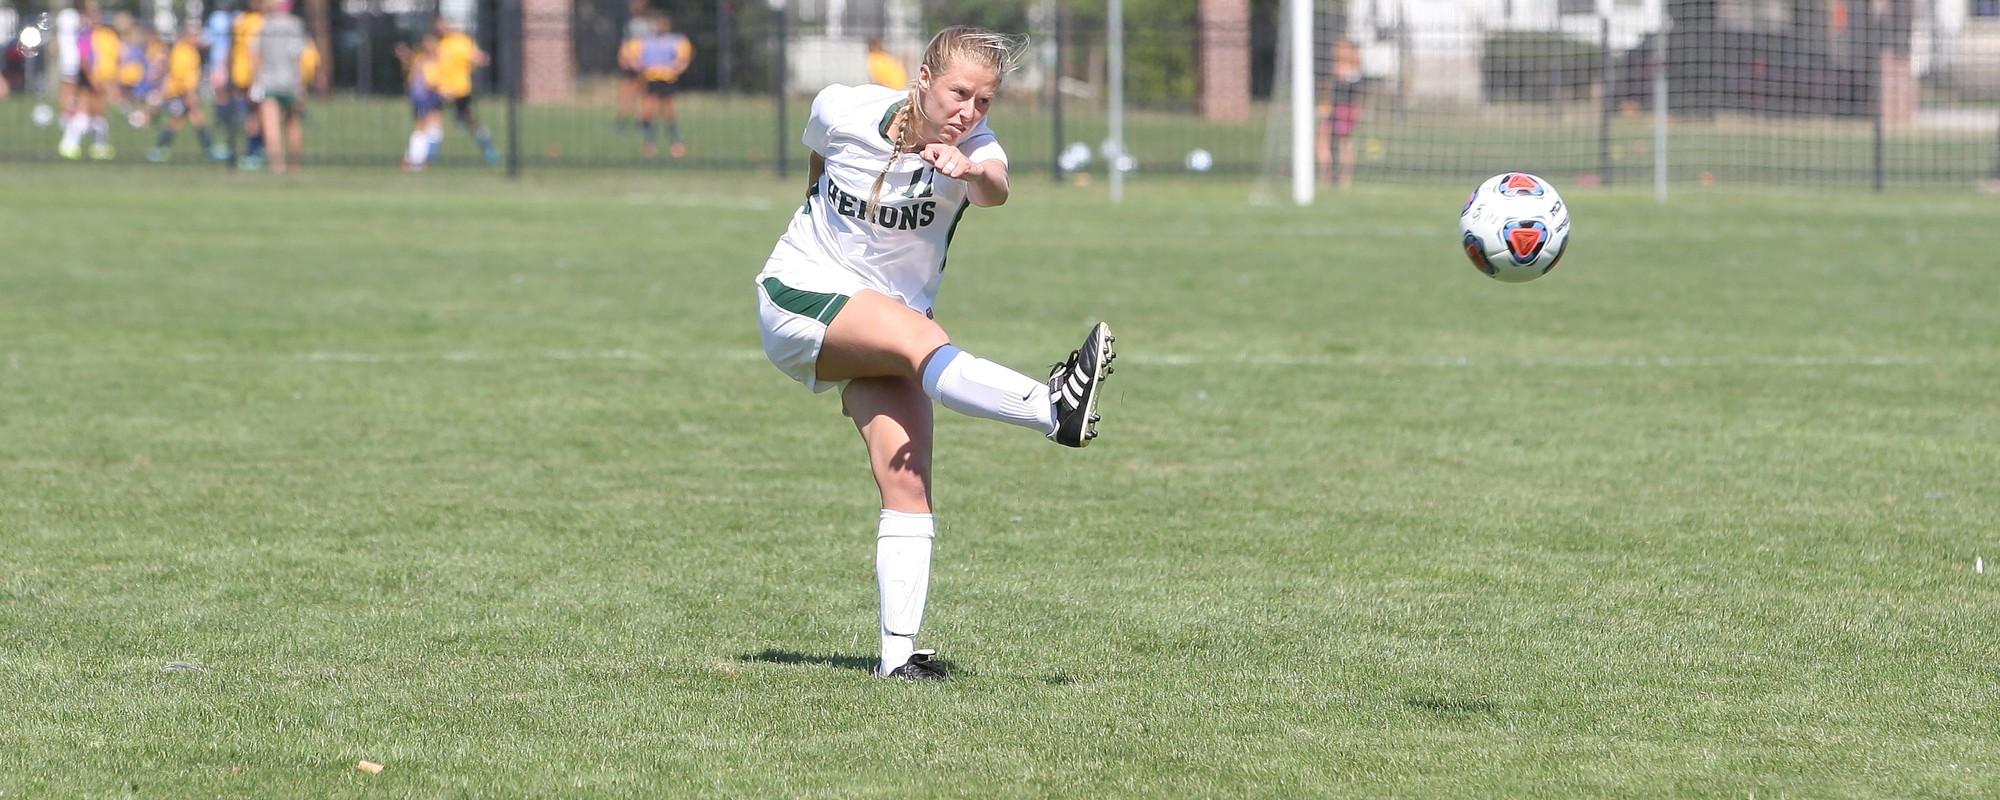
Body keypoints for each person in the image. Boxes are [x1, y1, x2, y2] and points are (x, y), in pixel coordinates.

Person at [753, 26, 1116, 682]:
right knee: (924, 340)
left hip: (886, 321)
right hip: (799, 295)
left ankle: (897, 660)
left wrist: (971, 166)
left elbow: (995, 186)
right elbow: (818, 162)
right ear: (923, 77)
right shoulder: (844, 107)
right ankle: (1051, 408)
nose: (969, 112)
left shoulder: (975, 148)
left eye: (984, 101)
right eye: (958, 94)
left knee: (909, 481)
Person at [146, 22, 221, 162]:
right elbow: (179, 75)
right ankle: (160, 149)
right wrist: (188, 95)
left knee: (190, 120)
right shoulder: (182, 51)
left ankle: (208, 148)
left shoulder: (191, 50)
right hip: (179, 94)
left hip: (185, 93)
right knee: (180, 121)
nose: (198, 38)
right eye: (195, 36)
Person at [250, 0, 308, 173]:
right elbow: (300, 57)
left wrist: (255, 83)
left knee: (271, 126)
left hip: (269, 81)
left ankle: (277, 166)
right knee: (293, 124)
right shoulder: (296, 25)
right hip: (291, 81)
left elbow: (256, 56)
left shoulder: (264, 25)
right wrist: (301, 84)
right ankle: (295, 166)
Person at [432, 16, 498, 165]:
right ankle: (431, 155)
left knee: (472, 120)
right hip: (442, 90)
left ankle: (489, 149)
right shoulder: (438, 45)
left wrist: (480, 58)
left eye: (443, 26)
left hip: (461, 90)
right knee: (432, 119)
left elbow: (476, 56)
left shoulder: (461, 41)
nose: (440, 29)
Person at [635, 11, 691, 158]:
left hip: (668, 79)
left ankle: (677, 143)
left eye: (662, 24)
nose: (659, 26)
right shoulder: (646, 41)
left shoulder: (676, 40)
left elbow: (684, 58)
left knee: (669, 112)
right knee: (649, 111)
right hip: (651, 79)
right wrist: (640, 66)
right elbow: (634, 58)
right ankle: (650, 144)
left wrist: (677, 68)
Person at [1316, 35, 1362, 188]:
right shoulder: (1335, 67)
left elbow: (1353, 89)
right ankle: (1326, 175)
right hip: (1331, 108)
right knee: (1323, 142)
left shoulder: (1352, 69)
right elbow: (1327, 90)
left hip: (1344, 110)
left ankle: (1345, 178)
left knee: (1344, 144)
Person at [394, 32, 443, 170]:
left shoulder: (439, 59)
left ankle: (428, 157)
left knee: (435, 124)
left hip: (433, 95)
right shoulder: (421, 58)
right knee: (422, 125)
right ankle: (415, 159)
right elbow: (409, 65)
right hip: (423, 96)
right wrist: (403, 55)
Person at [228, 0, 266, 168]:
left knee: (254, 115)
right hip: (246, 74)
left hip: (247, 74)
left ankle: (256, 149)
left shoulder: (245, 20)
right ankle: (255, 150)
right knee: (252, 116)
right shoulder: (250, 20)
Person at [614, 0, 650, 130]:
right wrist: (623, 57)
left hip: (643, 63)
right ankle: (622, 120)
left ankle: (644, 121)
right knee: (625, 93)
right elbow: (625, 43)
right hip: (630, 62)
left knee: (643, 93)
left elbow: (650, 45)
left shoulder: (648, 25)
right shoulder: (630, 24)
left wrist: (643, 61)